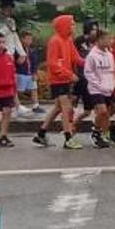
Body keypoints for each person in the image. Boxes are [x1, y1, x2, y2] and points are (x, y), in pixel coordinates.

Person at [32, 14, 83, 149]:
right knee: (66, 108)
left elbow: (76, 57)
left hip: (64, 79)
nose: (74, 26)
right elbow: (53, 63)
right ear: (64, 26)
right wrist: (69, 74)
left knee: (58, 108)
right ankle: (68, 137)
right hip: (57, 80)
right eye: (71, 24)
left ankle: (41, 133)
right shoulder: (55, 41)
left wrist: (89, 63)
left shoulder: (68, 40)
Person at [83, 29, 115, 149]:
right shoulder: (92, 56)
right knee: (102, 111)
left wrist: (113, 83)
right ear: (99, 40)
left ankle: (100, 131)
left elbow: (112, 71)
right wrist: (97, 84)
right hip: (96, 89)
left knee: (107, 113)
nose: (110, 41)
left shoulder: (110, 55)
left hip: (108, 88)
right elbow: (88, 72)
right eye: (108, 39)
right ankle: (95, 132)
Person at [72, 20, 101, 137]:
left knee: (88, 110)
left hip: (92, 79)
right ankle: (69, 128)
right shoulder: (78, 41)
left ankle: (73, 125)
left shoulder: (98, 41)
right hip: (80, 77)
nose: (95, 31)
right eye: (93, 29)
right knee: (72, 103)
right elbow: (74, 57)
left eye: (96, 29)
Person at [15, 29, 44, 114]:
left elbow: (34, 62)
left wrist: (34, 72)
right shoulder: (17, 50)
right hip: (21, 73)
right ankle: (17, 105)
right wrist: (18, 61)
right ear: (22, 39)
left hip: (29, 73)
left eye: (30, 39)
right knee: (18, 90)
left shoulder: (31, 50)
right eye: (27, 39)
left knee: (34, 88)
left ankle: (36, 105)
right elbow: (15, 62)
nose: (29, 41)